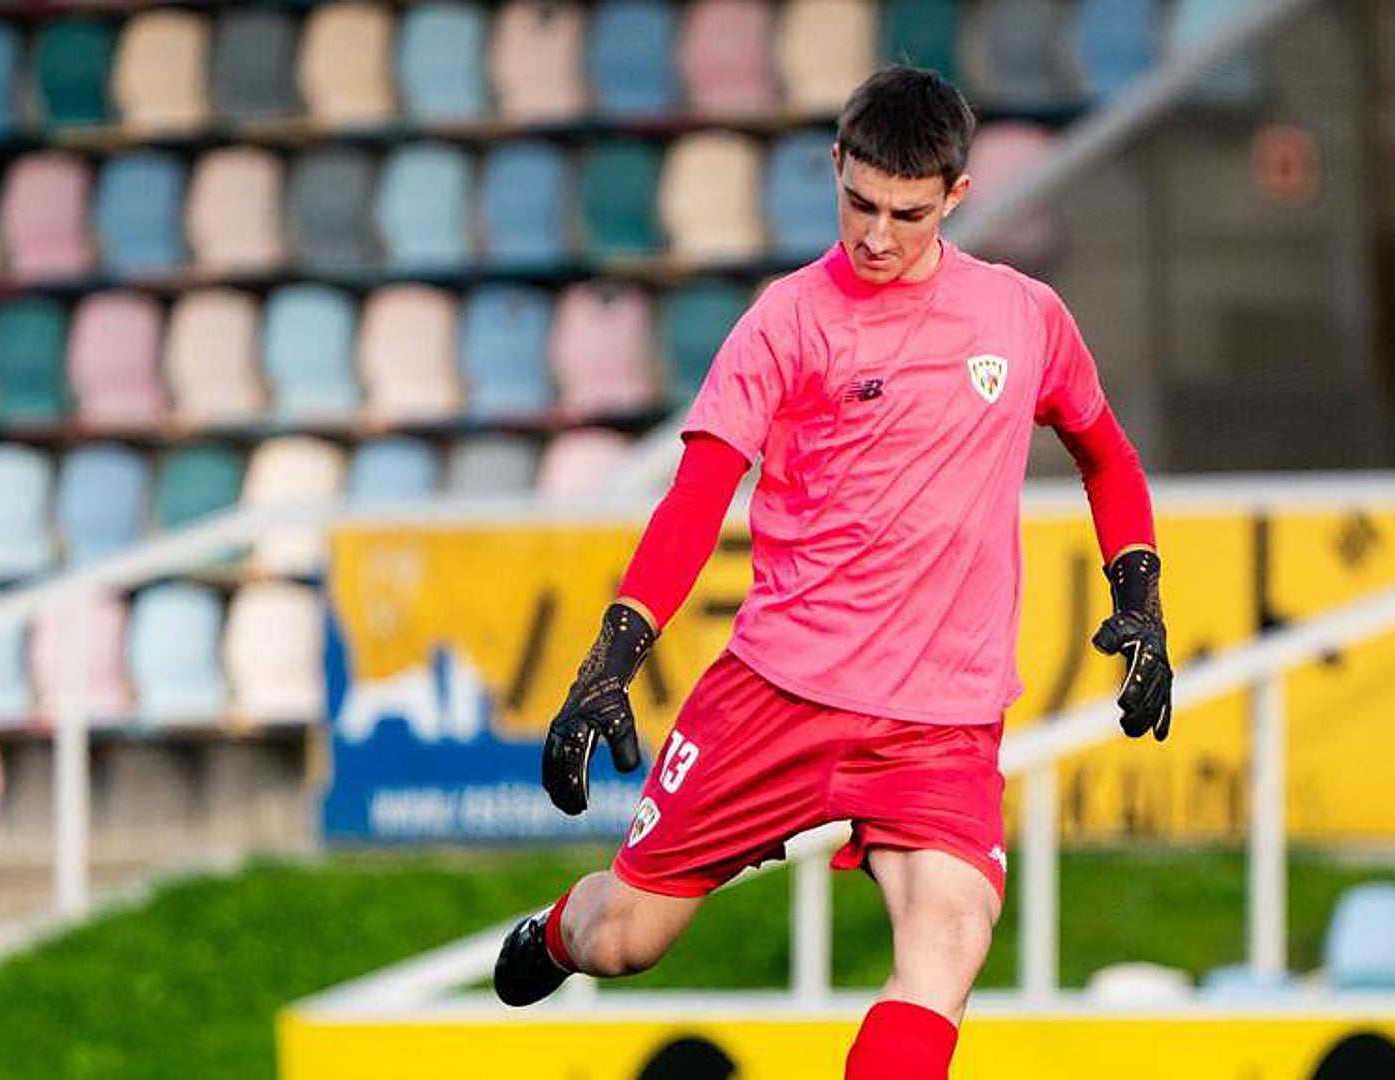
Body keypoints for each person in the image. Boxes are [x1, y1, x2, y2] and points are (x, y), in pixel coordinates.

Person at [494, 66, 1172, 1079]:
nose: (877, 234)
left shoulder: (1021, 317)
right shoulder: (786, 321)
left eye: (907, 211)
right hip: (778, 696)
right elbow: (696, 497)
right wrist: (610, 660)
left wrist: (1142, 602)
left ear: (956, 198)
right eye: (859, 202)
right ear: (835, 170)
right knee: (625, 941)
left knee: (947, 943)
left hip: (940, 718)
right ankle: (557, 930)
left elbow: (1107, 453)